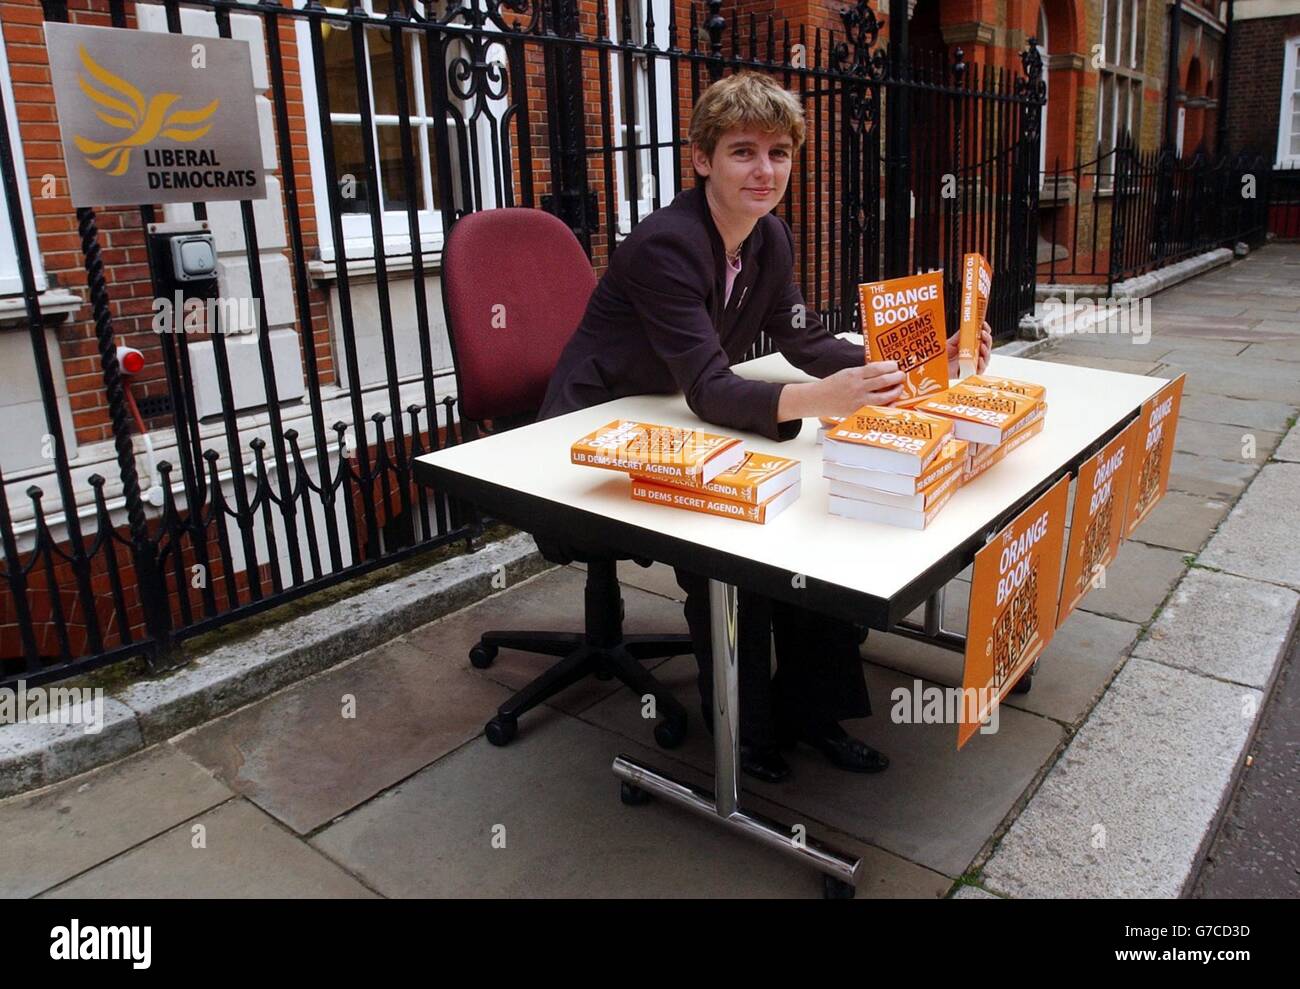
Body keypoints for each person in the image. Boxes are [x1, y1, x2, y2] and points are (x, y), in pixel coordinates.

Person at [536, 71, 992, 782]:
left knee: (805, 540)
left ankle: (815, 712)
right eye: (743, 151)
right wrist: (822, 400)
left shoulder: (770, 237)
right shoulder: (666, 245)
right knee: (730, 558)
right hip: (594, 437)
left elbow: (804, 341)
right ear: (702, 159)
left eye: (779, 153)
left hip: (675, 413)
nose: (765, 170)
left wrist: (929, 355)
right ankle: (745, 736)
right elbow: (713, 388)